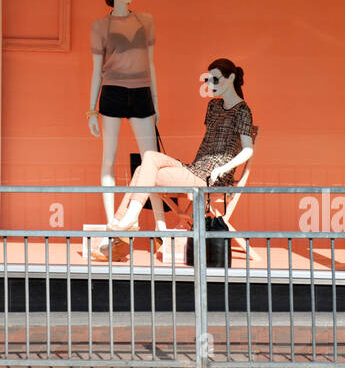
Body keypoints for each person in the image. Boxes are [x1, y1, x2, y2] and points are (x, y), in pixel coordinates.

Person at [101, 58, 256, 260]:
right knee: (148, 159)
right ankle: (128, 220)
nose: (210, 85)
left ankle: (124, 225)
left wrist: (224, 167)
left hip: (212, 177)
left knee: (144, 172)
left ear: (231, 78)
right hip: (195, 169)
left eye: (215, 79)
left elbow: (248, 150)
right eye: (208, 80)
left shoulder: (242, 111)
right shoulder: (213, 107)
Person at [87, 0, 162, 229]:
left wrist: (155, 101)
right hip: (113, 93)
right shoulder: (99, 26)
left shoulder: (146, 21)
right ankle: (111, 221)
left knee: (150, 159)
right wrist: (91, 110)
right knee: (108, 158)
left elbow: (151, 64)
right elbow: (97, 70)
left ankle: (160, 224)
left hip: (141, 92)